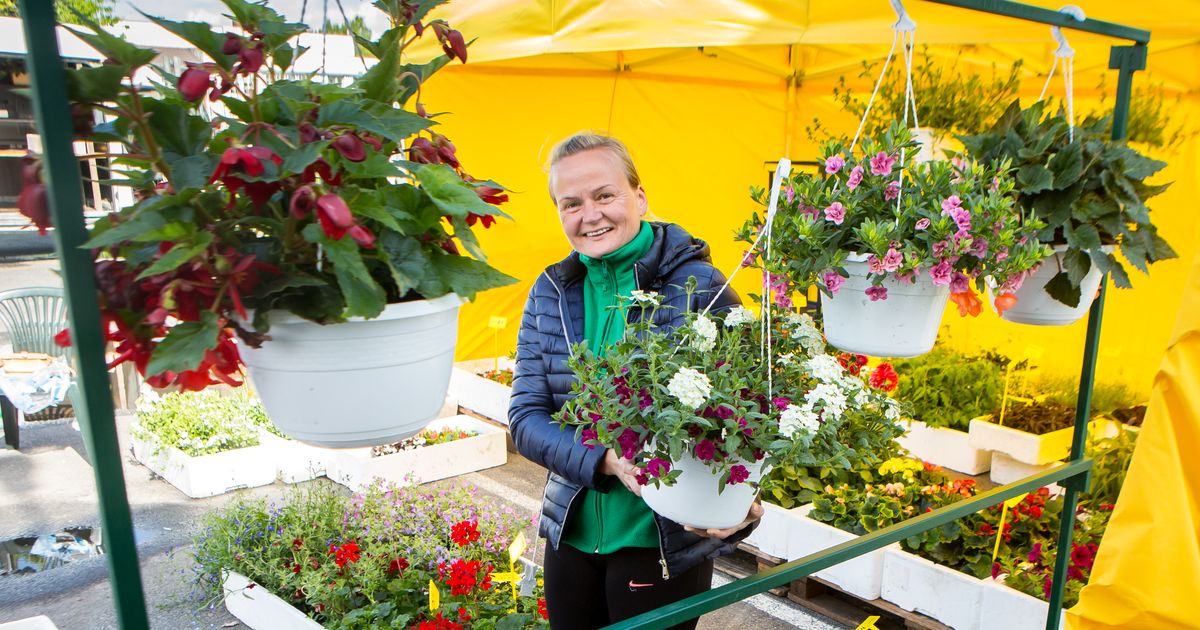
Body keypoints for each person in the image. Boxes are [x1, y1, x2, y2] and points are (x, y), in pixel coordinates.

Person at [509, 132, 763, 629]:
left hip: (660, 539)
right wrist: (603, 459)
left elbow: (751, 408)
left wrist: (742, 498)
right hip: (571, 533)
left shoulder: (698, 285)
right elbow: (524, 418)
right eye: (571, 203)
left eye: (605, 195)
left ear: (639, 196)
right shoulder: (550, 292)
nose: (591, 215)